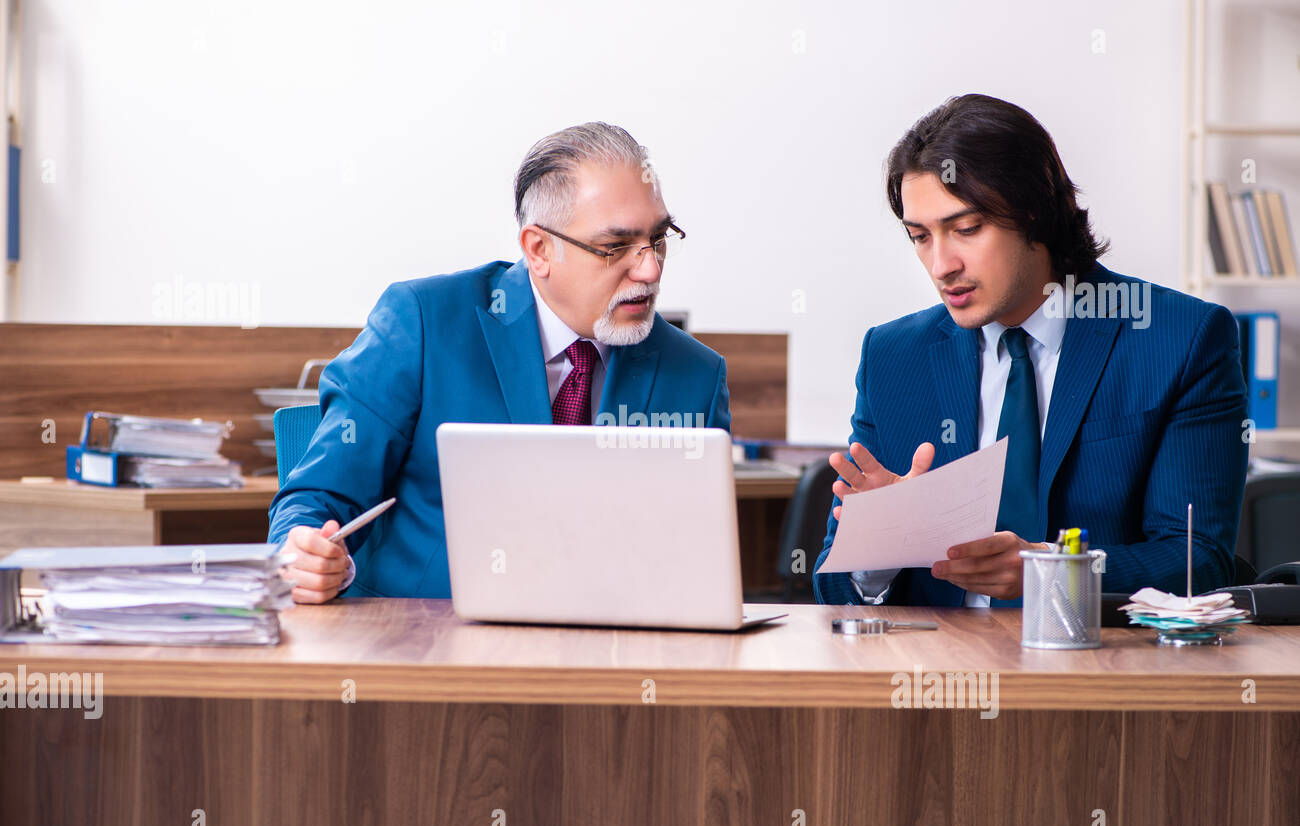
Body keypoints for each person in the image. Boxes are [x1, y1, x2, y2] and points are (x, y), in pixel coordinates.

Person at [814, 94, 1249, 607]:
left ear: (1035, 213)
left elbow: (1199, 560)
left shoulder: (1181, 338)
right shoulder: (893, 355)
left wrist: (1053, 572)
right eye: (919, 237)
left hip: (1098, 671)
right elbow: (830, 583)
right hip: (935, 672)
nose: (940, 265)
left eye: (966, 229)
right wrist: (877, 544)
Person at [270, 122, 731, 602]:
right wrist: (301, 554)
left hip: (614, 654)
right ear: (539, 249)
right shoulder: (426, 323)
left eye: (658, 238)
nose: (650, 268)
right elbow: (318, 497)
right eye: (616, 247)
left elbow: (701, 565)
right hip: (426, 646)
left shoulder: (696, 375)